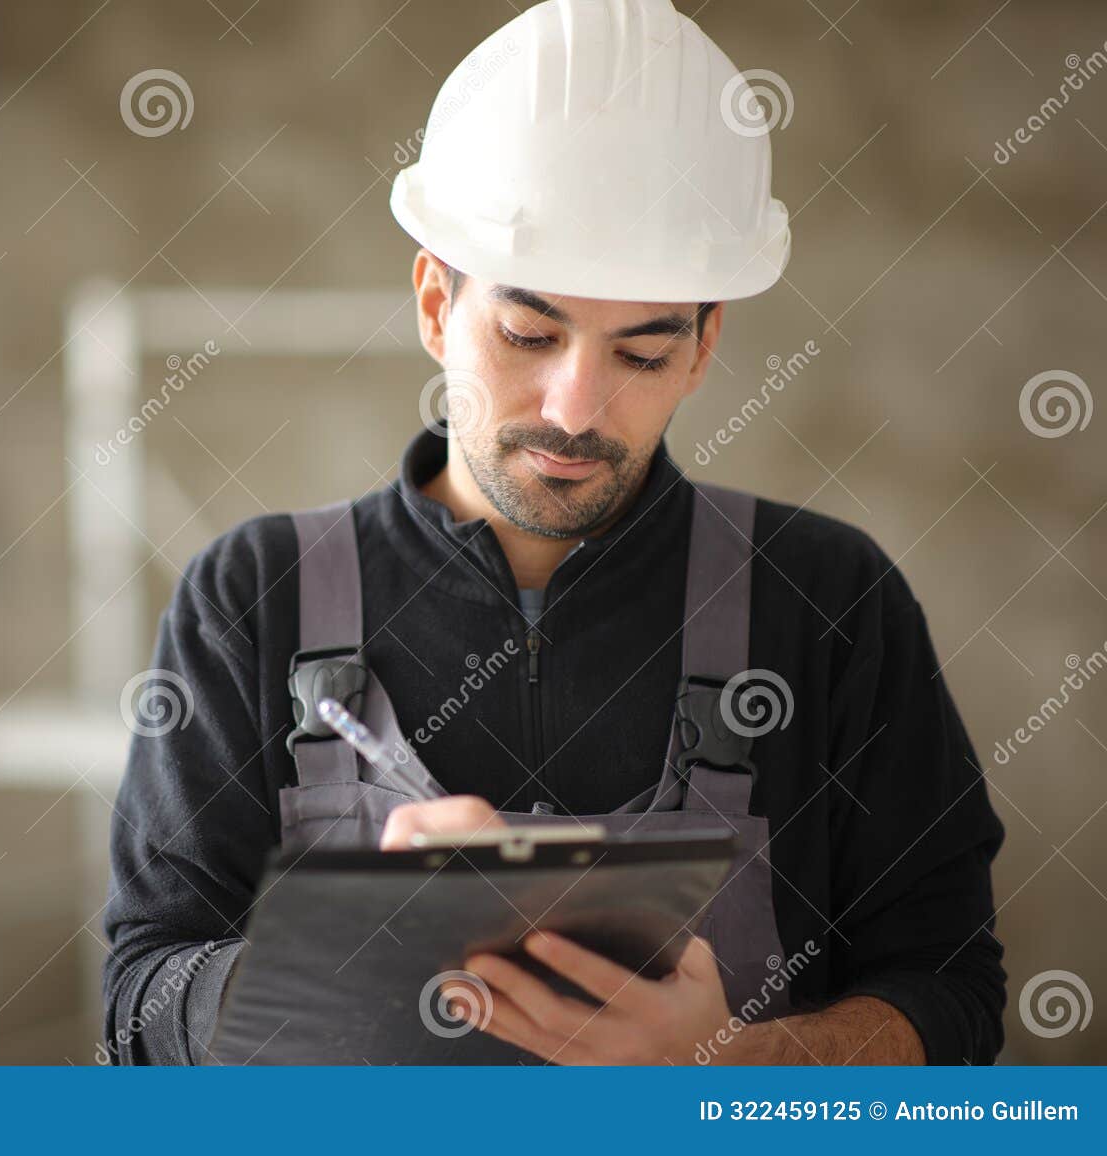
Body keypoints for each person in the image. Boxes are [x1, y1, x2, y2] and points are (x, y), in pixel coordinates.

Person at [102, 0, 1004, 1065]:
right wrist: (322, 960)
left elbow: (951, 992)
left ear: (705, 342)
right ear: (436, 302)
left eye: (640, 351)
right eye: (530, 332)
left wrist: (732, 1067)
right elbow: (133, 1007)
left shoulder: (827, 600)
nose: (575, 409)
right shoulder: (251, 596)